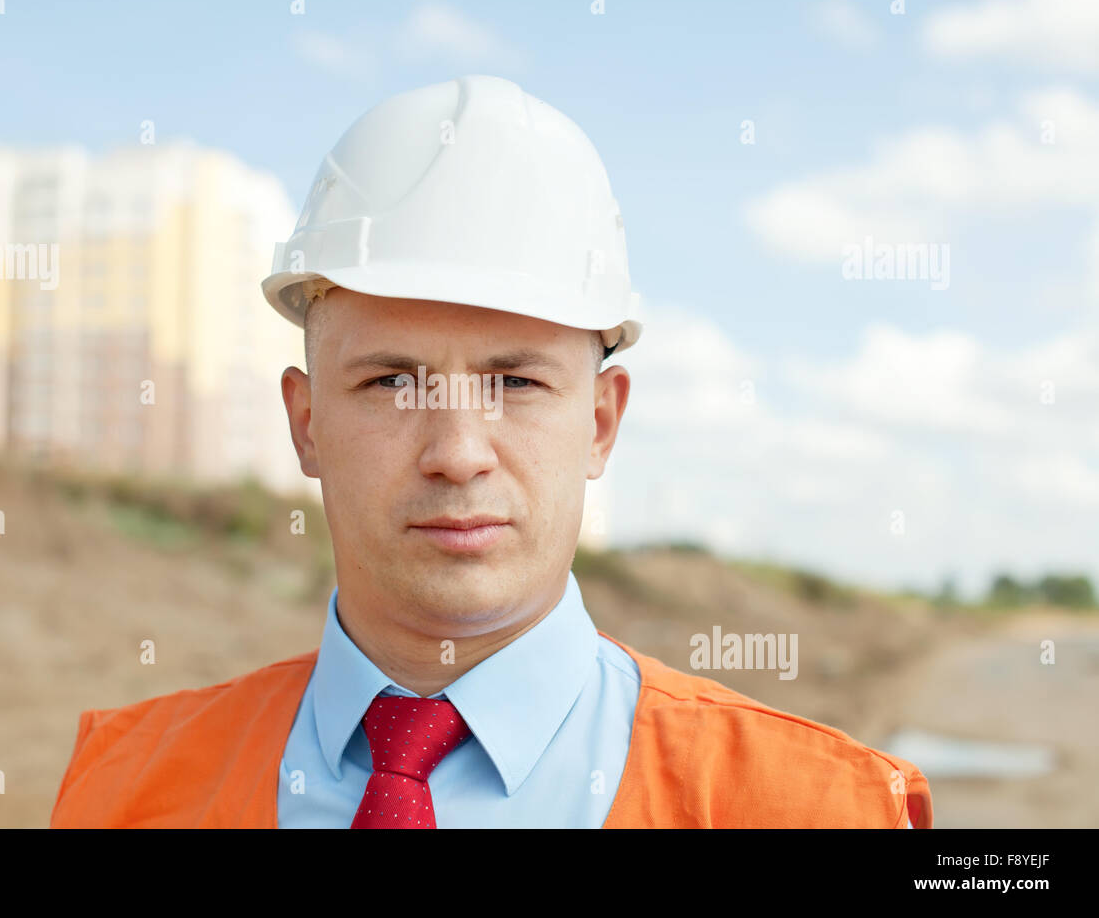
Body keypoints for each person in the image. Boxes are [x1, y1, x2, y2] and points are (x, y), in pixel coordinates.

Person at [50, 75, 932, 828]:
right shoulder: (122, 791)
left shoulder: (816, 809)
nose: (459, 453)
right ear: (306, 422)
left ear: (599, 423)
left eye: (515, 383)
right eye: (393, 382)